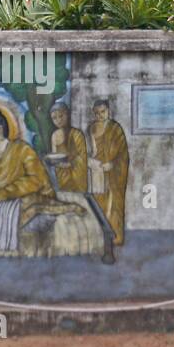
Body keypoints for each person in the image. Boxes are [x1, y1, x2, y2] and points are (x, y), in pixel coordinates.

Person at [87, 99, 129, 245]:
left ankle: (116, 237)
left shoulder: (115, 128)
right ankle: (100, 239)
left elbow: (123, 153)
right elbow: (92, 150)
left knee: (114, 205)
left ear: (108, 111)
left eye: (102, 112)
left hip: (112, 172)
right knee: (97, 204)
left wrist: (112, 164)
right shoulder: (91, 128)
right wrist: (91, 162)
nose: (100, 115)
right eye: (97, 113)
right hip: (97, 171)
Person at [47, 102, 88, 192]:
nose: (58, 120)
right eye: (54, 118)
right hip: (62, 174)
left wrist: (71, 163)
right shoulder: (54, 135)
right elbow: (56, 156)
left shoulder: (77, 134)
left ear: (67, 114)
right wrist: (55, 162)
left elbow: (82, 157)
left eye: (61, 116)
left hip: (77, 175)